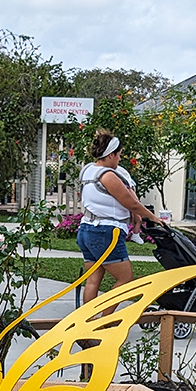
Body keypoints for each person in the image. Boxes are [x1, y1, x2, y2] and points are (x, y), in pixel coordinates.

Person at [76, 129, 163, 305]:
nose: (120, 159)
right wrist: (153, 218)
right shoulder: (108, 176)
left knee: (93, 280)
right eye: (119, 155)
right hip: (106, 233)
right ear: (110, 155)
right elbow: (131, 203)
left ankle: (86, 324)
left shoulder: (88, 170)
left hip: (86, 229)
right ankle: (104, 322)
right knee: (125, 280)